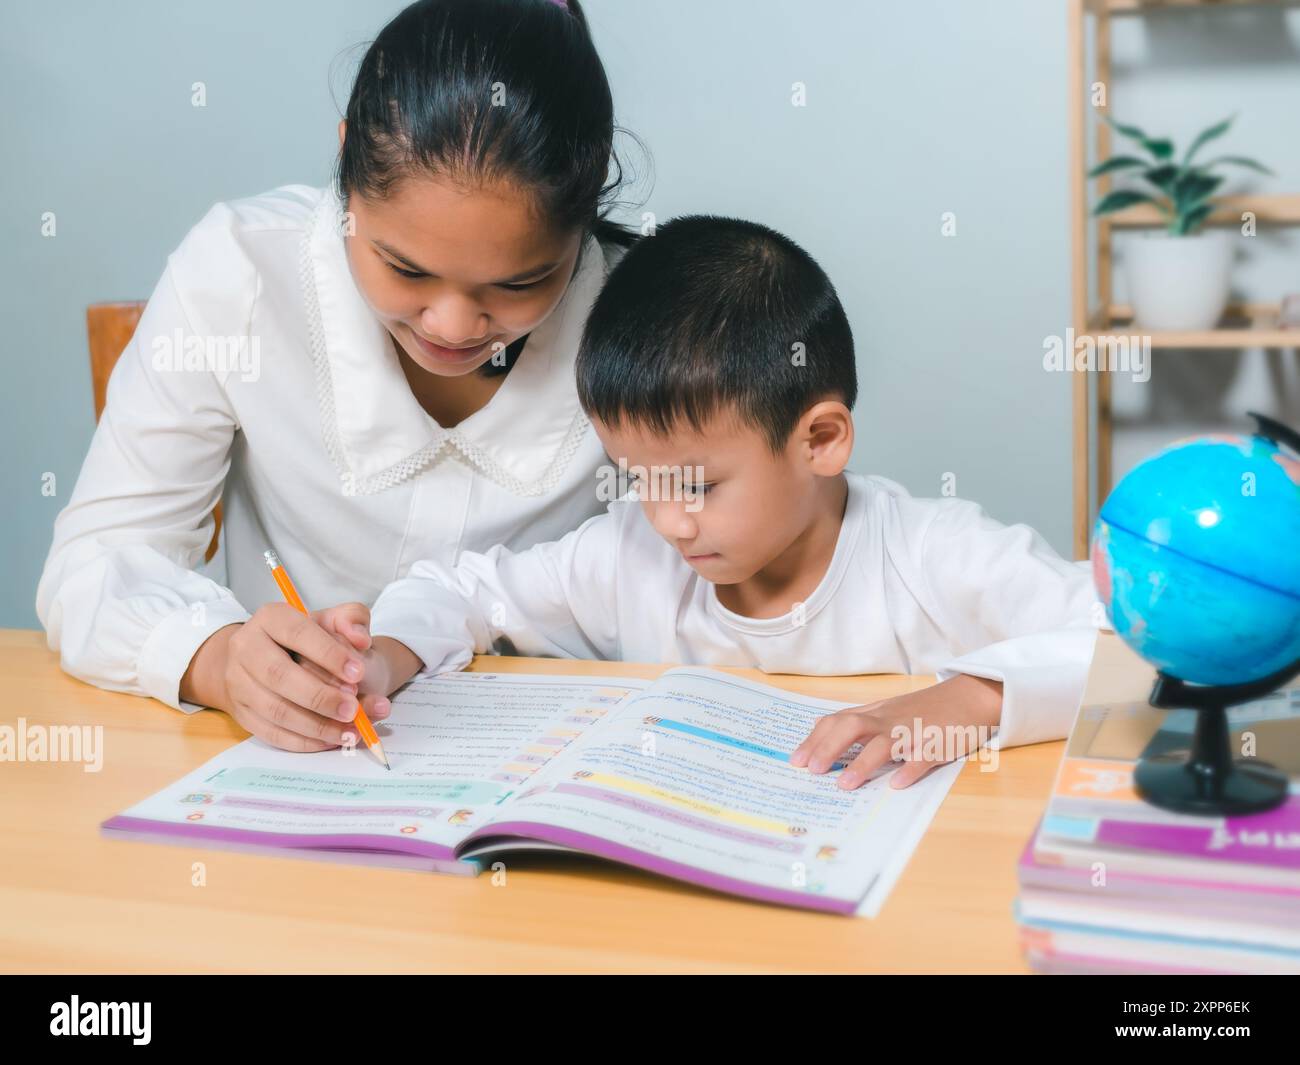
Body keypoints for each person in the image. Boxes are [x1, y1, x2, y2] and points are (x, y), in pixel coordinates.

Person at [315, 215, 1101, 789]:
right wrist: (379, 656)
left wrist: (969, 698)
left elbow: (1129, 641)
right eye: (637, 479)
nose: (667, 520)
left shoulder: (932, 553)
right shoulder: (633, 555)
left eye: (695, 485)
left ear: (820, 439)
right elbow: (461, 590)